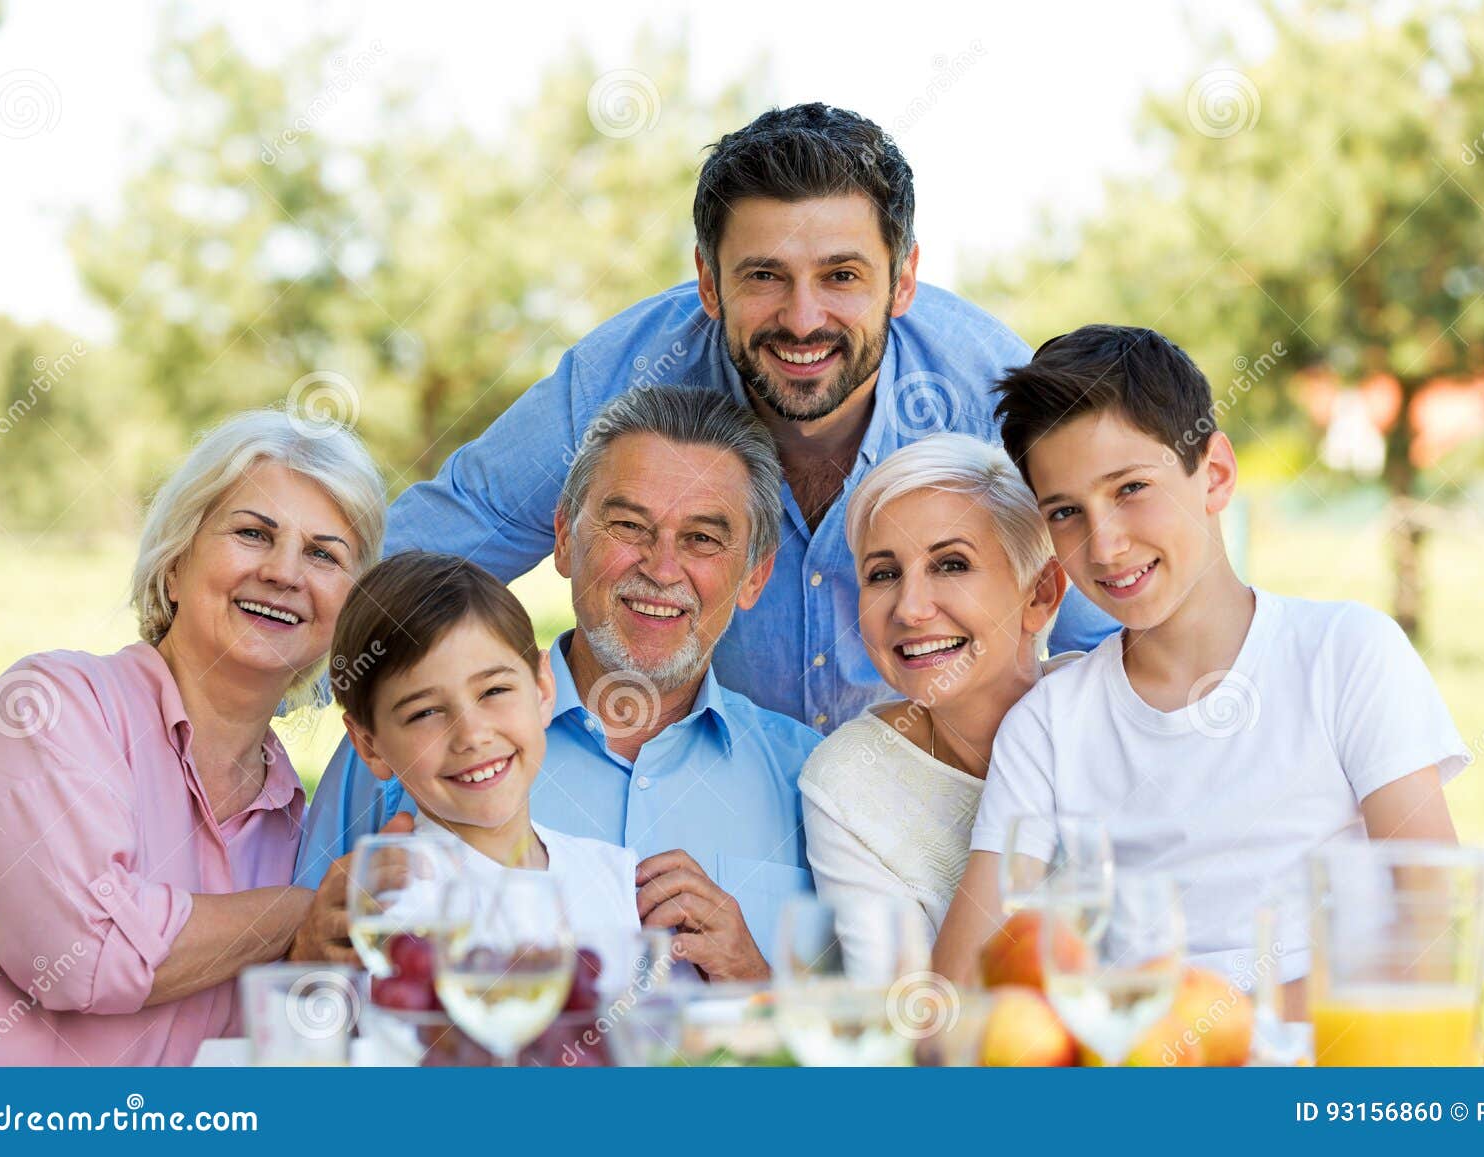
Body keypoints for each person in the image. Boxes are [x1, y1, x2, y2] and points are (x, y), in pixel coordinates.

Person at [359, 101, 1115, 737]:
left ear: (904, 278)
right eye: (763, 276)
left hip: (932, 817)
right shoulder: (624, 380)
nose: (803, 318)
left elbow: (1108, 635)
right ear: (708, 282)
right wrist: (262, 670)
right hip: (714, 823)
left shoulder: (992, 398)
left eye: (842, 276)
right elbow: (444, 540)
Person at [933, 325, 1467, 999]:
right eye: (1066, 511)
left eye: (1130, 488)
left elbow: (1440, 926)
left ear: (1213, 474)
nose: (1105, 543)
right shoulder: (1049, 725)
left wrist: (1206, 1032)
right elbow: (957, 982)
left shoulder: (1344, 652)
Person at [297, 387, 820, 980]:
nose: (662, 567)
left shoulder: (813, 780)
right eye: (628, 526)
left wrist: (757, 981)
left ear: (754, 575)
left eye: (702, 538)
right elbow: (293, 1007)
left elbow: (866, 1051)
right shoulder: (404, 737)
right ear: (566, 539)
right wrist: (310, 951)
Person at [0, 411, 386, 1065]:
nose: (285, 572)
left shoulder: (295, 820)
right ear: (174, 564)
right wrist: (297, 910)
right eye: (253, 532)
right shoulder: (52, 707)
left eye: (323, 553)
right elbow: (81, 954)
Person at [798, 434, 1077, 959]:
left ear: (1039, 594)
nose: (910, 608)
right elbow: (899, 1015)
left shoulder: (1109, 708)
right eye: (883, 574)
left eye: (950, 564)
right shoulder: (850, 779)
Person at [330, 551, 640, 966]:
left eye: (493, 691)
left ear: (544, 689)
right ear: (370, 746)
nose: (472, 736)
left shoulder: (609, 874)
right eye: (424, 713)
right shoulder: (396, 909)